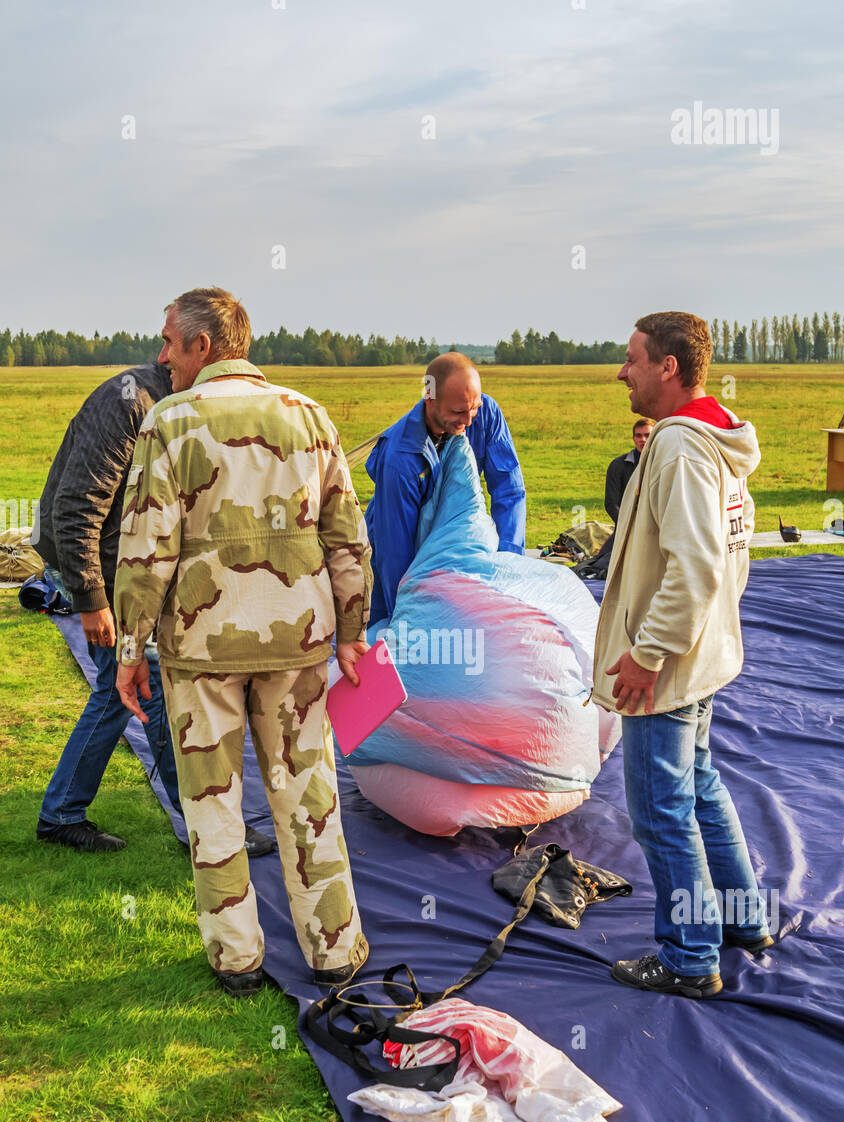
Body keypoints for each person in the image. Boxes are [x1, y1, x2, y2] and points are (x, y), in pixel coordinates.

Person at [114, 287, 372, 996]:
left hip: (202, 651)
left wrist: (129, 652)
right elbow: (347, 536)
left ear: (203, 346)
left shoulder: (168, 422)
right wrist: (351, 631)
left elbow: (144, 551)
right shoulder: (310, 416)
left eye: (169, 342)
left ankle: (236, 959)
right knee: (307, 793)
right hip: (299, 644)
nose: (162, 357)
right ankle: (335, 948)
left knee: (212, 803)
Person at [591, 311, 772, 999]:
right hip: (703, 651)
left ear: (666, 366)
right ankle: (741, 917)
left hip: (666, 665)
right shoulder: (717, 438)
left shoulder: (679, 449)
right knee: (697, 785)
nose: (621, 371)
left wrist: (647, 651)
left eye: (631, 358)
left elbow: (692, 566)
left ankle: (690, 958)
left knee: (661, 809)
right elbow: (729, 557)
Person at [33, 364, 274, 858]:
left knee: (140, 690)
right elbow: (76, 506)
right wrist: (91, 599)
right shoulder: (128, 403)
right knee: (126, 689)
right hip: (101, 575)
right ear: (205, 350)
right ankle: (71, 815)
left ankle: (74, 813)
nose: (164, 353)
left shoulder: (177, 406)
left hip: (124, 575)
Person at [364, 353, 526, 624]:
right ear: (430, 397)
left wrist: (506, 564)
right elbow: (396, 553)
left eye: (473, 407)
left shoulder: (485, 412)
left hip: (459, 557)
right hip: (400, 560)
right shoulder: (401, 457)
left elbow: (509, 489)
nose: (470, 420)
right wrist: (406, 621)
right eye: (458, 412)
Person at [604, 418, 653, 523]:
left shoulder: (663, 464)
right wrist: (626, 526)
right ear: (633, 438)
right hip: (627, 525)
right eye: (638, 435)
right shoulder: (617, 465)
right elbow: (611, 504)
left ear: (655, 437)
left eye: (647, 435)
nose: (643, 439)